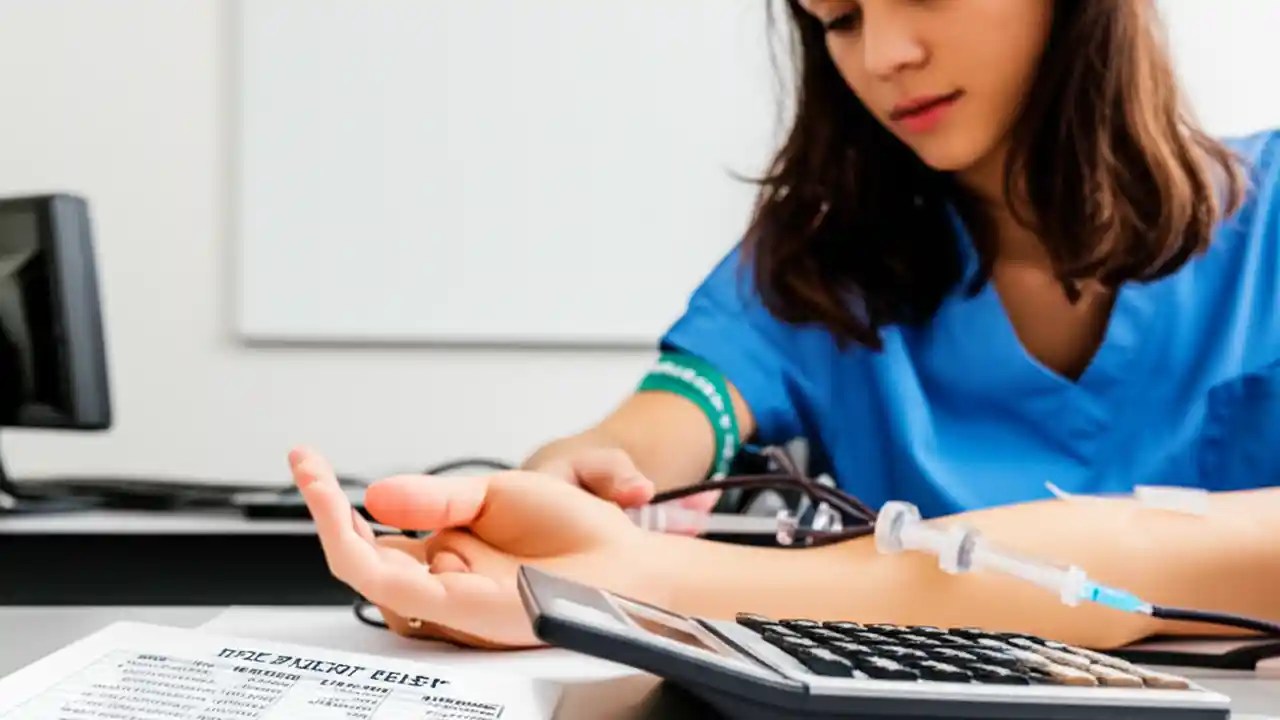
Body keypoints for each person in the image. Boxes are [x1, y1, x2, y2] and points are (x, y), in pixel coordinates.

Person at [291, 0, 1280, 651]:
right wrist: (586, 475)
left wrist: (636, 576)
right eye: (837, 18)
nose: (884, 55)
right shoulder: (820, 263)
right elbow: (680, 410)